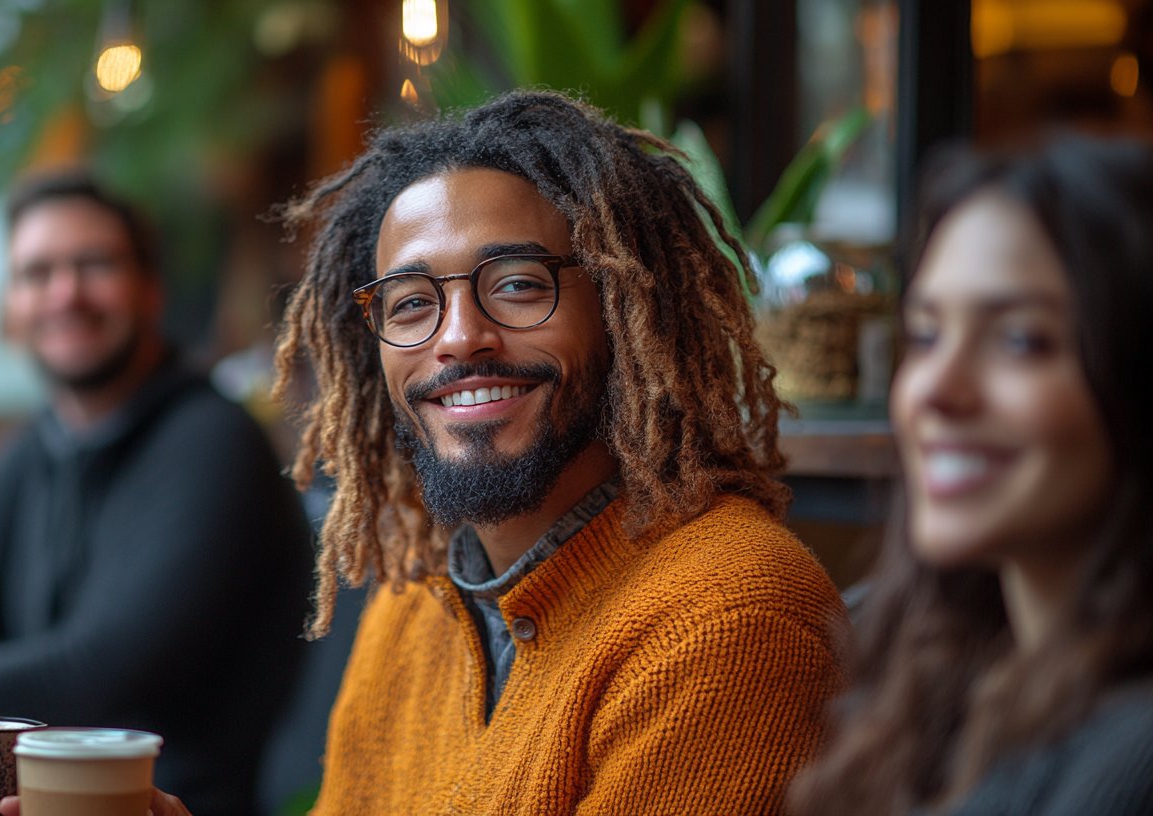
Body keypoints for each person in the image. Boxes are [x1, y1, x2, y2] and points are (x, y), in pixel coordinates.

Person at [264, 90, 847, 813]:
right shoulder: (415, 599)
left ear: (621, 307)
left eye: (517, 285)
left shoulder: (728, 618)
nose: (459, 338)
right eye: (411, 302)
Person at [0, 173, 312, 816]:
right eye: (37, 273)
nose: (65, 294)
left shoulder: (213, 441)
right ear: (12, 305)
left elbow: (101, 675)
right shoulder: (28, 452)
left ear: (151, 289)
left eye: (94, 265)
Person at [789, 134, 1153, 815]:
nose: (936, 388)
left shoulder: (1143, 756)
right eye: (926, 335)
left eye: (1020, 340)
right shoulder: (955, 677)